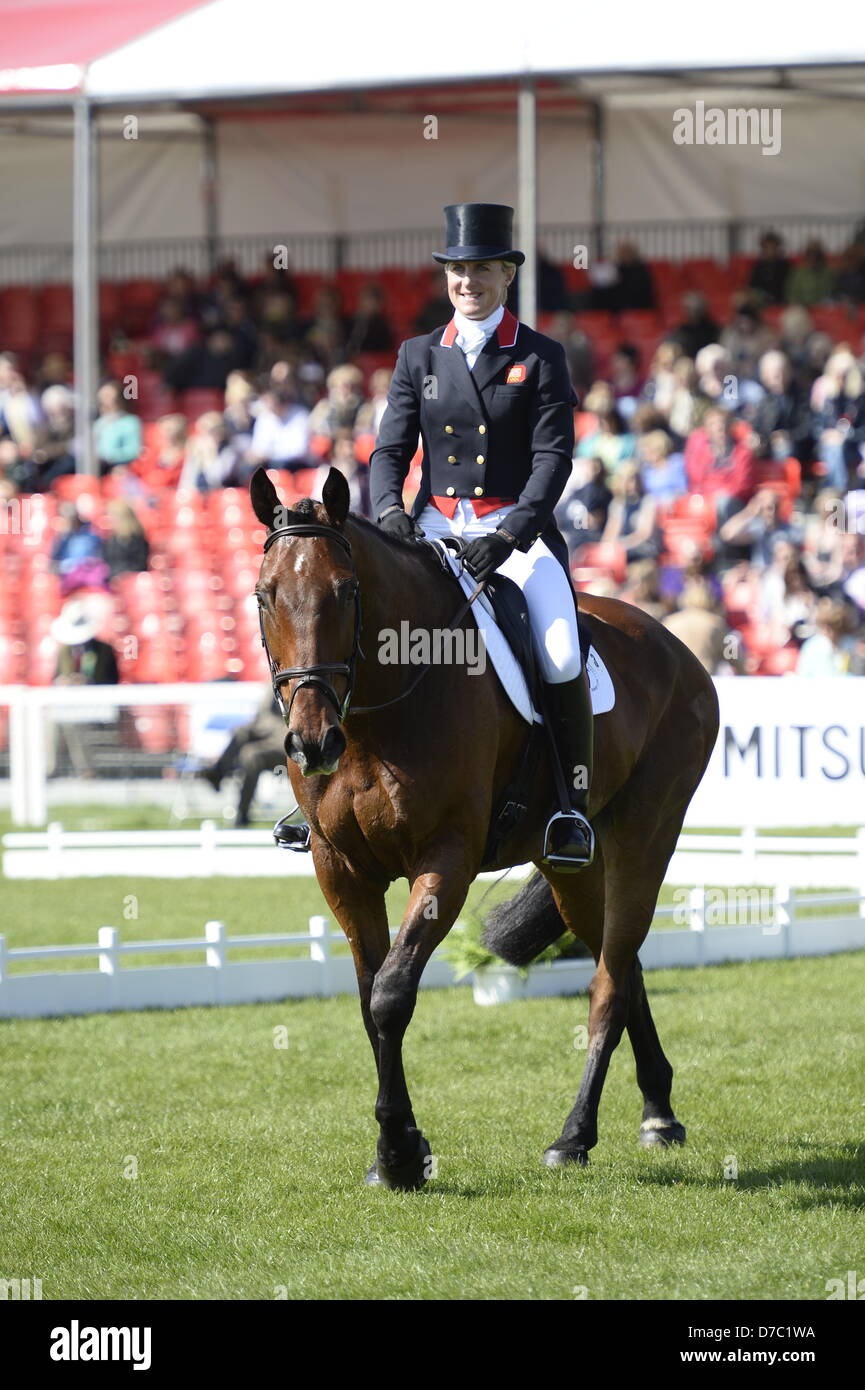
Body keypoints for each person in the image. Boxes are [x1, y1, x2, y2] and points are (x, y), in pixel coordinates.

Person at [368, 202, 594, 870]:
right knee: (362, 620)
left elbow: (554, 460)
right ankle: (330, 789)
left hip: (511, 533)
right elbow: (389, 452)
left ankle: (569, 807)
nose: (467, 281)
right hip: (432, 526)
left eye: (481, 270)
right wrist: (388, 516)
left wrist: (510, 535)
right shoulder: (417, 354)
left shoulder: (539, 355)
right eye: (457, 270)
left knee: (557, 651)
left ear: (505, 275)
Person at [199, 688, 287, 826]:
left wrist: (265, 726)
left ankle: (242, 813)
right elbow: (262, 713)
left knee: (251, 755)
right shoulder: (275, 679)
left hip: (287, 746)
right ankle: (218, 772)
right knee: (240, 732)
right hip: (271, 732)